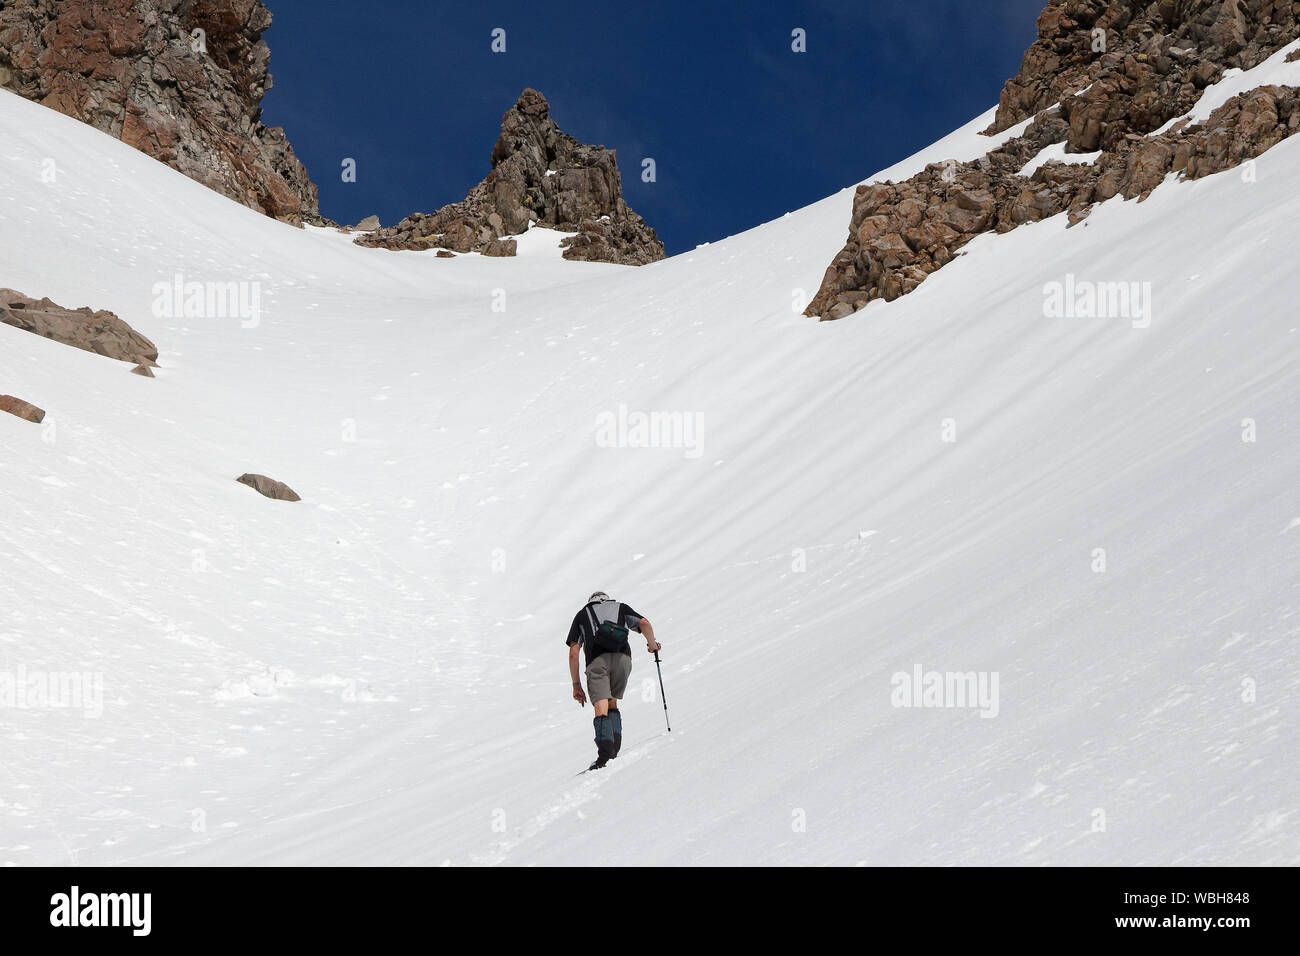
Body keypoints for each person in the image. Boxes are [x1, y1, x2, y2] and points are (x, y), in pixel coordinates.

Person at [567, 591, 660, 771]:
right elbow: (644, 623)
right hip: (623, 661)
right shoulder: (620, 607)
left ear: (590, 602)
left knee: (601, 706)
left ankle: (604, 757)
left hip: (597, 661)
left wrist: (576, 685)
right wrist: (652, 645)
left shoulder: (582, 615)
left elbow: (573, 653)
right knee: (612, 703)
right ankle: (614, 752)